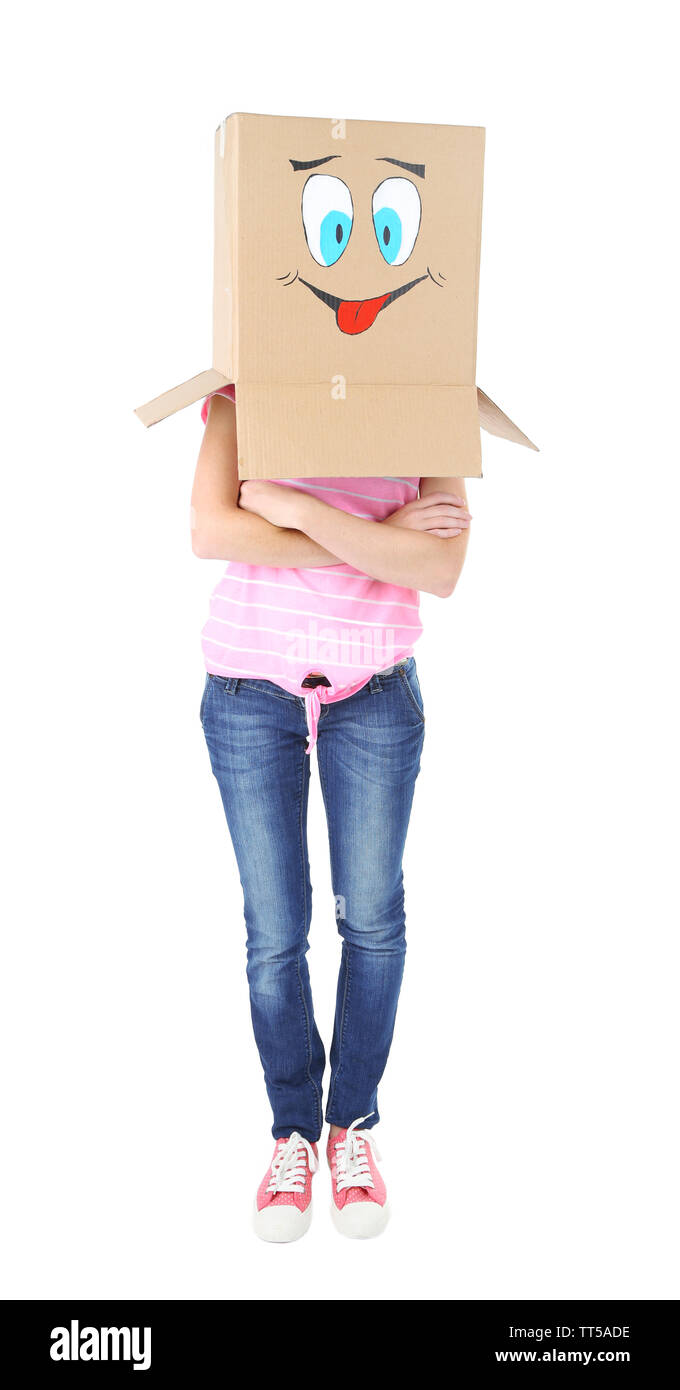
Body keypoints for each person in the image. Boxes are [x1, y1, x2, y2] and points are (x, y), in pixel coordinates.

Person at [190, 383, 471, 1240]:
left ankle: (351, 1125)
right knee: (274, 933)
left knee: (373, 921)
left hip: (374, 693)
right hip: (250, 693)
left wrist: (284, 506)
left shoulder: (433, 392)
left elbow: (442, 570)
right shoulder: (243, 394)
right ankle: (291, 1133)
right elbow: (210, 531)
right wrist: (380, 543)